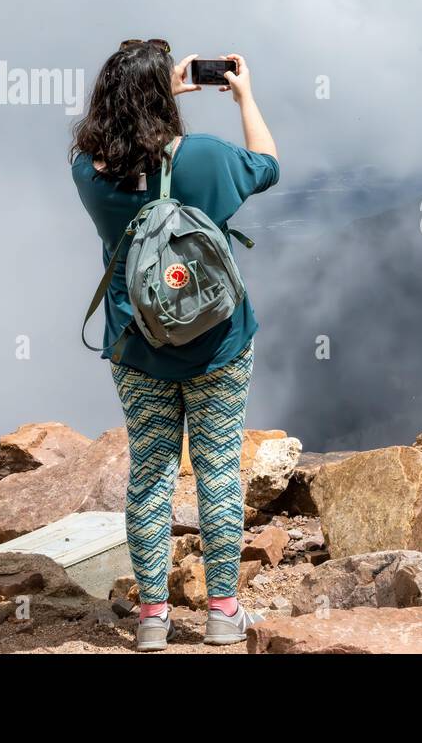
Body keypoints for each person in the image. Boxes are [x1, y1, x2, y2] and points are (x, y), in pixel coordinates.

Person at [69, 39, 279, 651]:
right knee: (216, 471)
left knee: (151, 475)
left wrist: (155, 87)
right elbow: (268, 162)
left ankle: (154, 619)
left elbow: (115, 144)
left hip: (137, 347)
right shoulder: (206, 159)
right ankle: (222, 614)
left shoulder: (89, 173)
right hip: (219, 340)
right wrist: (243, 94)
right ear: (163, 95)